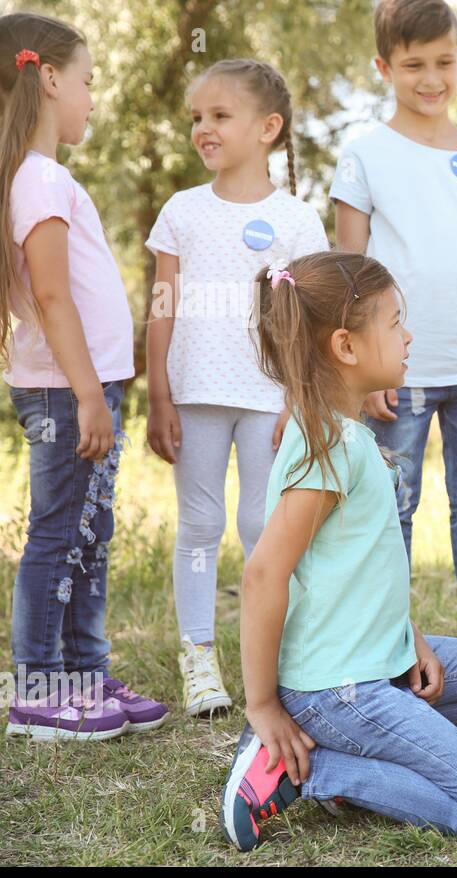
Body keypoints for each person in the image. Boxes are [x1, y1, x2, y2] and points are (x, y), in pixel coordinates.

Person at [219, 251, 457, 851]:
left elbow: (359, 567)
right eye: (395, 322)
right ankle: (308, 771)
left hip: (374, 657)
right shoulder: (329, 445)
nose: (409, 335)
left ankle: (332, 743)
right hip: (339, 686)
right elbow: (263, 574)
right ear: (347, 346)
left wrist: (409, 635)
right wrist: (262, 704)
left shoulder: (348, 433)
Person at [331, 0, 457, 657]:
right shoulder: (364, 157)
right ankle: (388, 636)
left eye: (444, 62)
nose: (431, 77)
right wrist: (358, 370)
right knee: (392, 511)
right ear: (385, 67)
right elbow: (348, 271)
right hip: (397, 372)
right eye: (414, 64)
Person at [145, 58, 329, 718]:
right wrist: (158, 395)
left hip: (269, 398)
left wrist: (297, 398)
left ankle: (268, 659)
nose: (203, 128)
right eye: (197, 117)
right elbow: (161, 303)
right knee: (199, 523)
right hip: (192, 393)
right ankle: (199, 658)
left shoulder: (298, 221)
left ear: (267, 128)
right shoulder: (182, 212)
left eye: (220, 115)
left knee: (261, 524)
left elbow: (304, 320)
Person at [1, 12, 166, 740]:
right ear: (48, 76)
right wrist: (90, 393)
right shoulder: (36, 180)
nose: (94, 98)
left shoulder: (45, 176)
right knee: (59, 534)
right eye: (90, 82)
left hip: (83, 390)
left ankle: (84, 674)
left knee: (88, 534)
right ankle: (38, 688)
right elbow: (53, 296)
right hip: (69, 393)